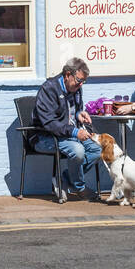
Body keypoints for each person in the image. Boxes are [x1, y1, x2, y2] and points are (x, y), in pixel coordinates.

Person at [32, 57, 101, 201]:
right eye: (78, 80)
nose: (81, 84)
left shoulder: (75, 88)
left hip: (68, 135)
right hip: (45, 136)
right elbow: (50, 123)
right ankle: (80, 187)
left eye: (83, 82)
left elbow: (71, 111)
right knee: (78, 151)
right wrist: (75, 132)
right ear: (67, 74)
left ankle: (63, 179)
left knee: (97, 149)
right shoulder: (49, 89)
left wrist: (79, 114)